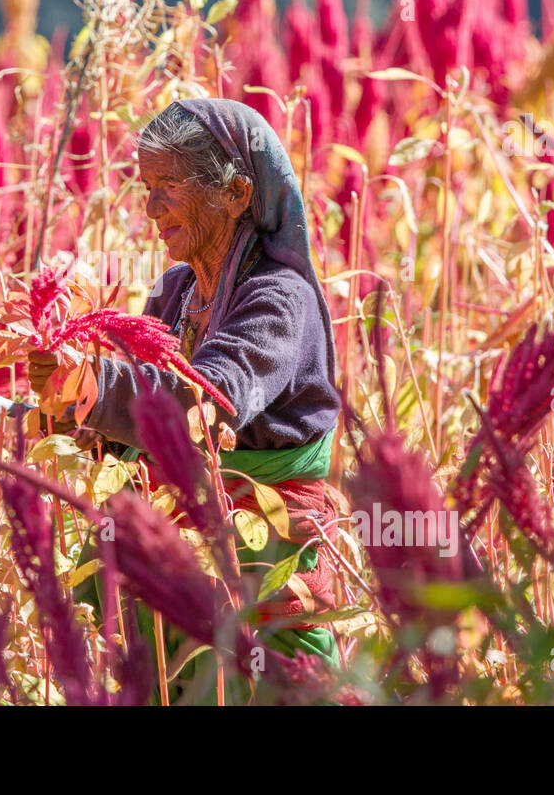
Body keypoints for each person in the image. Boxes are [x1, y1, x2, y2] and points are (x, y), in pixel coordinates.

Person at [29, 98, 347, 678]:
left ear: (235, 194)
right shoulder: (177, 292)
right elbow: (127, 429)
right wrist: (60, 409)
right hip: (173, 563)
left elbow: (205, 403)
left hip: (256, 567)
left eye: (168, 186)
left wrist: (95, 386)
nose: (150, 208)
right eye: (145, 187)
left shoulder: (279, 300)